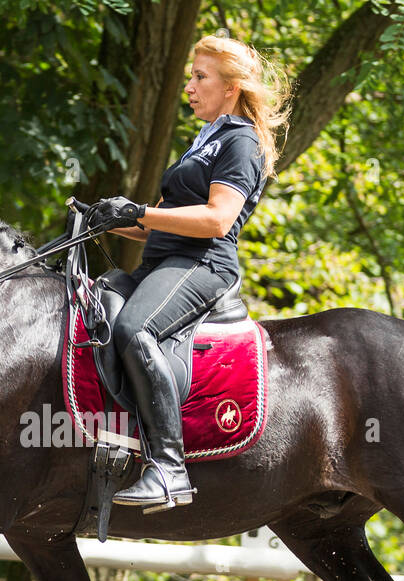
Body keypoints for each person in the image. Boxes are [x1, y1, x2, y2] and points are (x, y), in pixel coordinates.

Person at [85, 34, 287, 513]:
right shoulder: (204, 141)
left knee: (137, 329)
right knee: (97, 300)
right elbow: (159, 222)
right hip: (164, 260)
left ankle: (169, 468)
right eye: (190, 78)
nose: (190, 88)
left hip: (202, 264)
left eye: (201, 78)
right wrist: (114, 219)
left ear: (232, 87)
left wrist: (142, 213)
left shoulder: (240, 143)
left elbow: (217, 219)